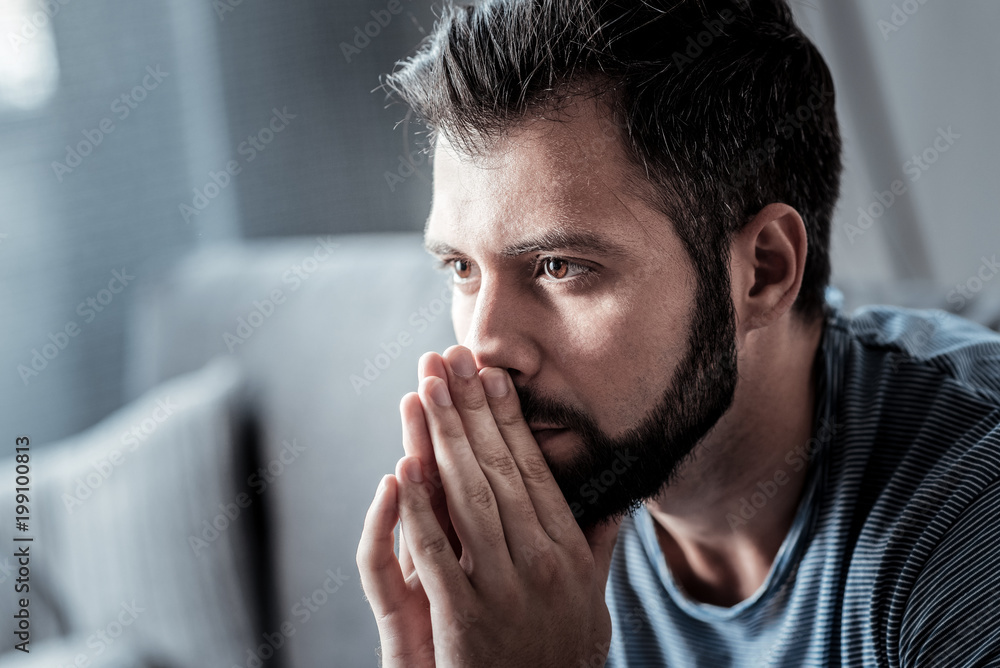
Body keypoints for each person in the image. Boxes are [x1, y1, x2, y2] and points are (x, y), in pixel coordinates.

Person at [356, 0, 1000, 665]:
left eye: (559, 266)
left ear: (763, 271)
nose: (483, 348)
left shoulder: (971, 508)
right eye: (461, 268)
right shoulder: (521, 537)